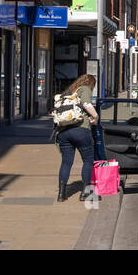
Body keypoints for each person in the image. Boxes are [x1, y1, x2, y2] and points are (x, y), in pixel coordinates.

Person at [53, 73, 100, 203]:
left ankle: (61, 194)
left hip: (63, 132)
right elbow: (86, 104)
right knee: (87, 161)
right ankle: (85, 193)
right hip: (80, 129)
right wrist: (95, 117)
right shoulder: (84, 89)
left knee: (66, 162)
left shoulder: (68, 92)